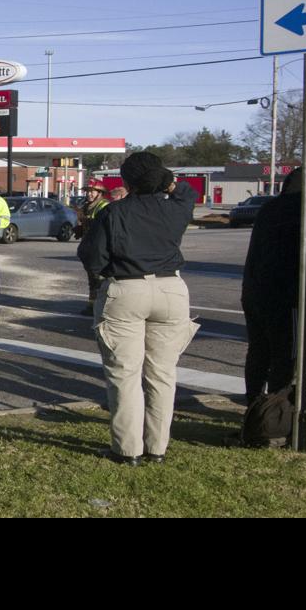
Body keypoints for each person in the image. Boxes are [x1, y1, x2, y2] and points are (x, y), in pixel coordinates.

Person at [76, 151, 200, 466]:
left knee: (125, 374)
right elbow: (186, 192)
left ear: (127, 182)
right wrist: (165, 179)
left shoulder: (114, 212)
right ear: (161, 179)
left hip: (126, 288)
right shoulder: (175, 209)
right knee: (162, 374)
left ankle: (127, 449)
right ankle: (157, 447)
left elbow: (92, 257)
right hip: (171, 289)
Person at [240, 168, 306, 402]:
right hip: (285, 292)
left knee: (258, 350)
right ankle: (278, 404)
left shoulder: (268, 208)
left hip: (255, 289)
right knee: (285, 353)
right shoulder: (304, 209)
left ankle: (254, 402)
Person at [74, 184, 111, 315]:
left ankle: (102, 307)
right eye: (88, 192)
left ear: (100, 193)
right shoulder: (86, 206)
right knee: (92, 279)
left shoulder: (104, 206)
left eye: (92, 192)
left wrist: (86, 220)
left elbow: (102, 224)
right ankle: (92, 306)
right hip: (89, 246)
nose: (89, 194)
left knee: (100, 279)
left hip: (99, 248)